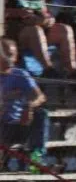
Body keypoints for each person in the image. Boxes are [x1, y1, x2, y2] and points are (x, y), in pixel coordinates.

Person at [0, 37, 47, 168]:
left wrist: (29, 105)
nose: (11, 59)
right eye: (7, 55)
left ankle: (36, 161)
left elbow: (40, 97)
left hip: (16, 123)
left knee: (40, 114)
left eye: (13, 55)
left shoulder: (20, 74)